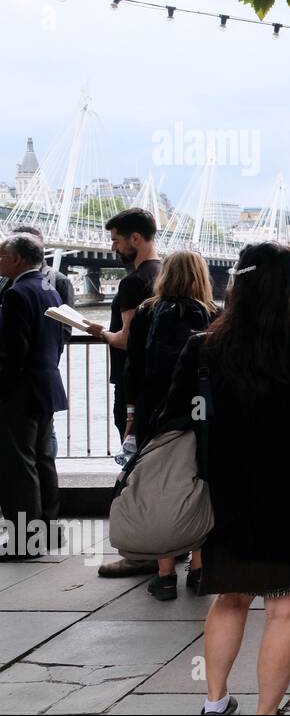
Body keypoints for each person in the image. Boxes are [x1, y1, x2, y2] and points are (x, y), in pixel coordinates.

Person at [156, 242, 290, 715]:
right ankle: (267, 712)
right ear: (288, 292)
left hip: (223, 501)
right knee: (286, 610)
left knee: (230, 599)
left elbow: (171, 423)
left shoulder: (203, 349)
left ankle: (215, 702)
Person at [125, 250, 218, 600]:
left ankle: (165, 575)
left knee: (159, 485)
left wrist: (131, 414)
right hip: (200, 410)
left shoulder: (147, 312)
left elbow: (133, 367)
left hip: (155, 409)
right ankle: (199, 569)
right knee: (201, 483)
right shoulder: (213, 313)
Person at [88, 208, 165, 579]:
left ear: (136, 238)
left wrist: (100, 332)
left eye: (116, 240)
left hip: (135, 387)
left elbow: (128, 340)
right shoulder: (166, 273)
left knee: (136, 468)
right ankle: (173, 544)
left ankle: (143, 552)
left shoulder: (133, 283)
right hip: (165, 386)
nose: (113, 248)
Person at [0, 233, 67, 559]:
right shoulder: (49, 289)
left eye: (2, 256)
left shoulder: (16, 293)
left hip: (21, 391)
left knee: (18, 466)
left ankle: (25, 541)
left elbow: (14, 351)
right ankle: (49, 531)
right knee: (43, 460)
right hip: (46, 385)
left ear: (16, 259)